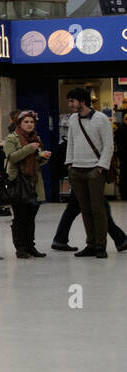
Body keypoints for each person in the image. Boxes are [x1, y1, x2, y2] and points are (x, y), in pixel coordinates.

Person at [65, 87, 115, 258]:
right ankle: (91, 244)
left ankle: (101, 246)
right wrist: (70, 164)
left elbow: (108, 145)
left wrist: (101, 167)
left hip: (94, 170)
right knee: (85, 209)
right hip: (76, 170)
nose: (70, 104)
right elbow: (70, 142)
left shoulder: (101, 119)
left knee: (97, 209)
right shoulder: (73, 119)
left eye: (72, 101)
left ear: (83, 101)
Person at [2, 110, 50, 258]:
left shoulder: (36, 138)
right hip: (18, 182)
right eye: (26, 122)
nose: (29, 124)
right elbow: (12, 157)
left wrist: (43, 157)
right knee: (20, 217)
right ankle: (20, 247)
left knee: (31, 217)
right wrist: (29, 149)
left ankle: (30, 246)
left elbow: (37, 159)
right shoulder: (11, 138)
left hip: (34, 181)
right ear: (19, 123)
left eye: (31, 122)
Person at [51, 191, 127, 253]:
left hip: (79, 176)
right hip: (87, 177)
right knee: (101, 207)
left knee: (73, 207)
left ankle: (60, 239)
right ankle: (120, 240)